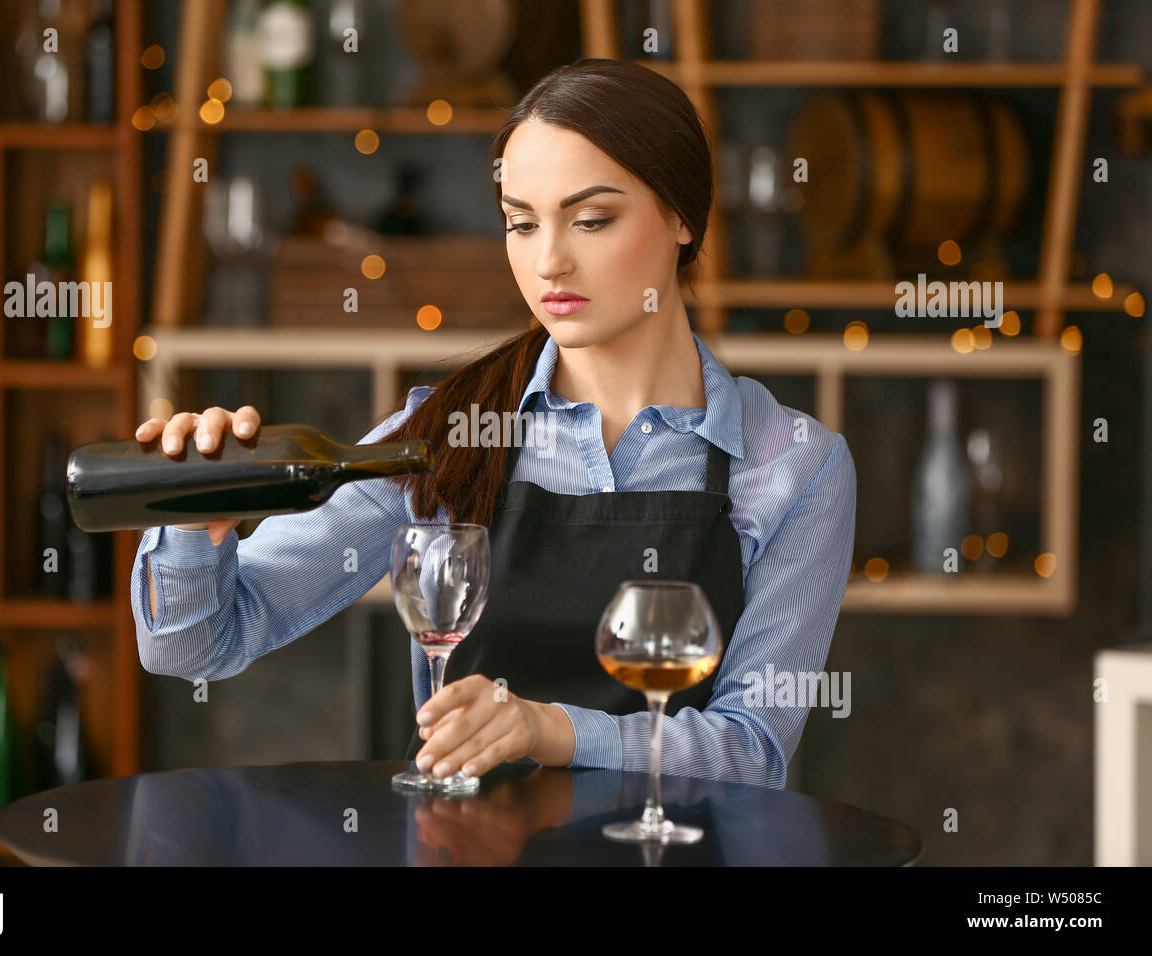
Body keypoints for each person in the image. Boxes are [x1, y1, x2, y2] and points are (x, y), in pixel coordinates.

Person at [132, 58, 856, 788]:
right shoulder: (444, 435)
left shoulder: (793, 466)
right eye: (520, 222)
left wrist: (545, 727)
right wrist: (196, 527)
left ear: (682, 217)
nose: (549, 262)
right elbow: (197, 648)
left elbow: (750, 752)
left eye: (592, 220)